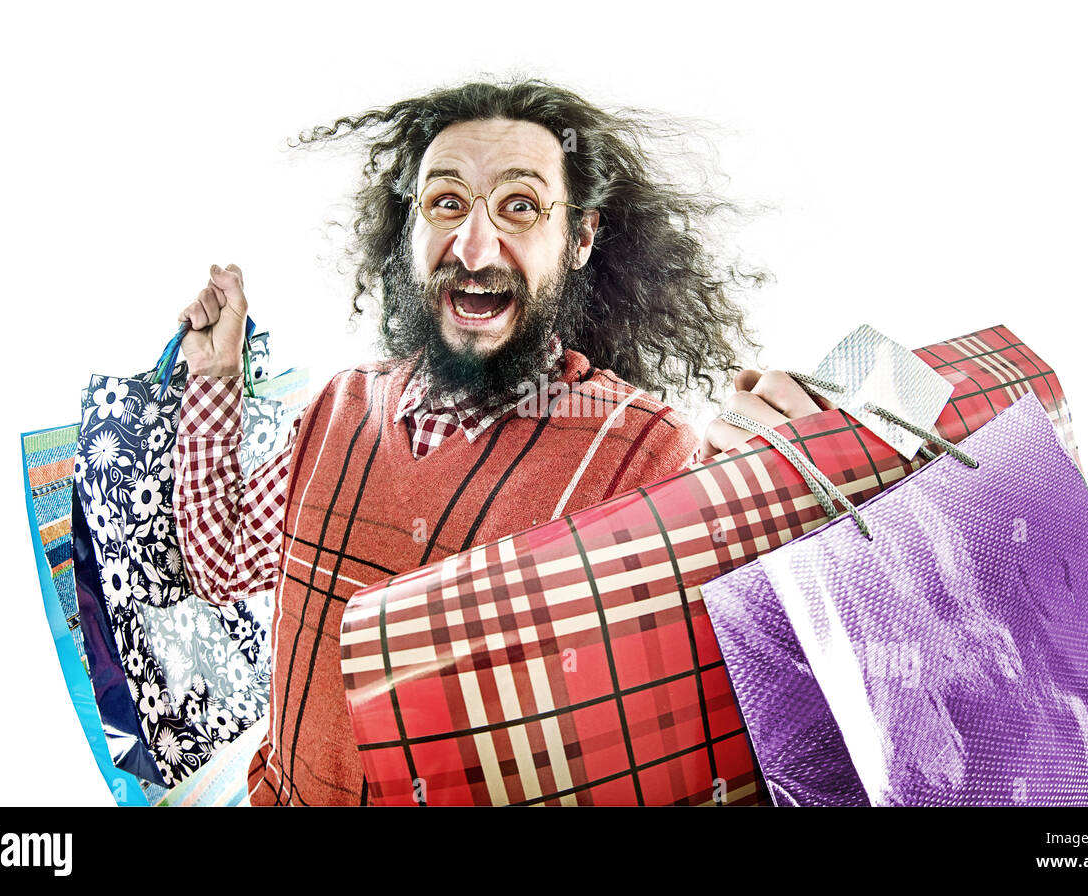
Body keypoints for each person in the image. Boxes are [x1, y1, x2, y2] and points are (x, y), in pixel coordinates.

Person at [173, 78, 825, 806]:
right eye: (446, 202)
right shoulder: (339, 405)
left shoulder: (649, 457)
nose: (475, 247)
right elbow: (222, 566)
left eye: (520, 206)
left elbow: (734, 722)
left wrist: (795, 502)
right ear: (410, 231)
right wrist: (214, 374)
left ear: (579, 239)